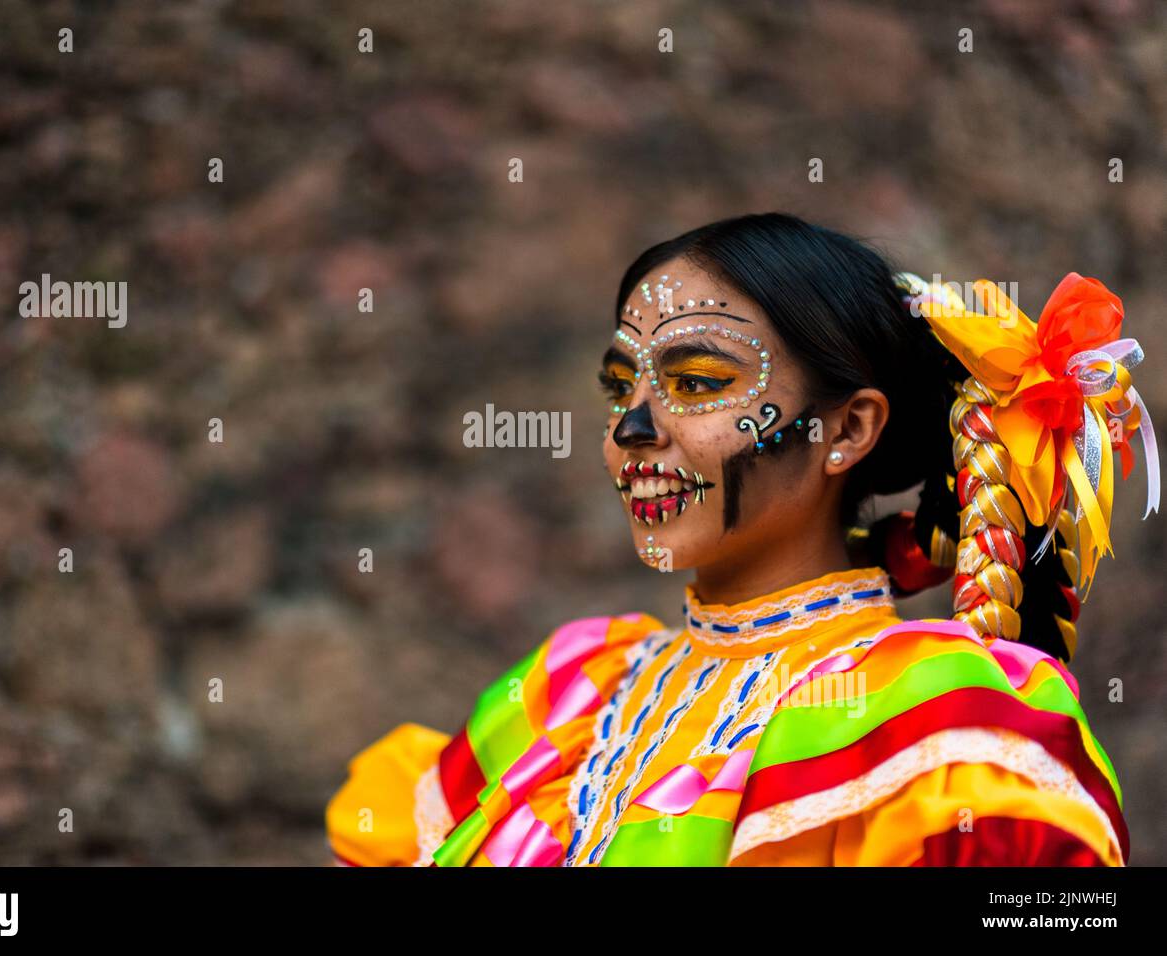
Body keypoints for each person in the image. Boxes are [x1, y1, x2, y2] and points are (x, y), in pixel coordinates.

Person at [325, 213, 1156, 866]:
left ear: (846, 429)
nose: (632, 432)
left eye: (697, 384)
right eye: (622, 390)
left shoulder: (939, 717)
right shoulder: (572, 686)